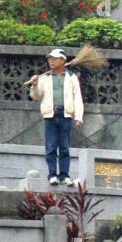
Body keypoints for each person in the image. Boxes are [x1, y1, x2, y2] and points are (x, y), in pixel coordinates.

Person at [27, 47, 84, 186]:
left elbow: (77, 97)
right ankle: (52, 175)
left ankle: (64, 175)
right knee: (51, 146)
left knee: (64, 147)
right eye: (49, 59)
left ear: (62, 60)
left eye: (54, 59)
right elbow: (35, 96)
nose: (51, 61)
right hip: (50, 116)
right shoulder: (44, 77)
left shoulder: (71, 77)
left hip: (66, 115)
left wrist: (79, 116)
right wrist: (34, 85)